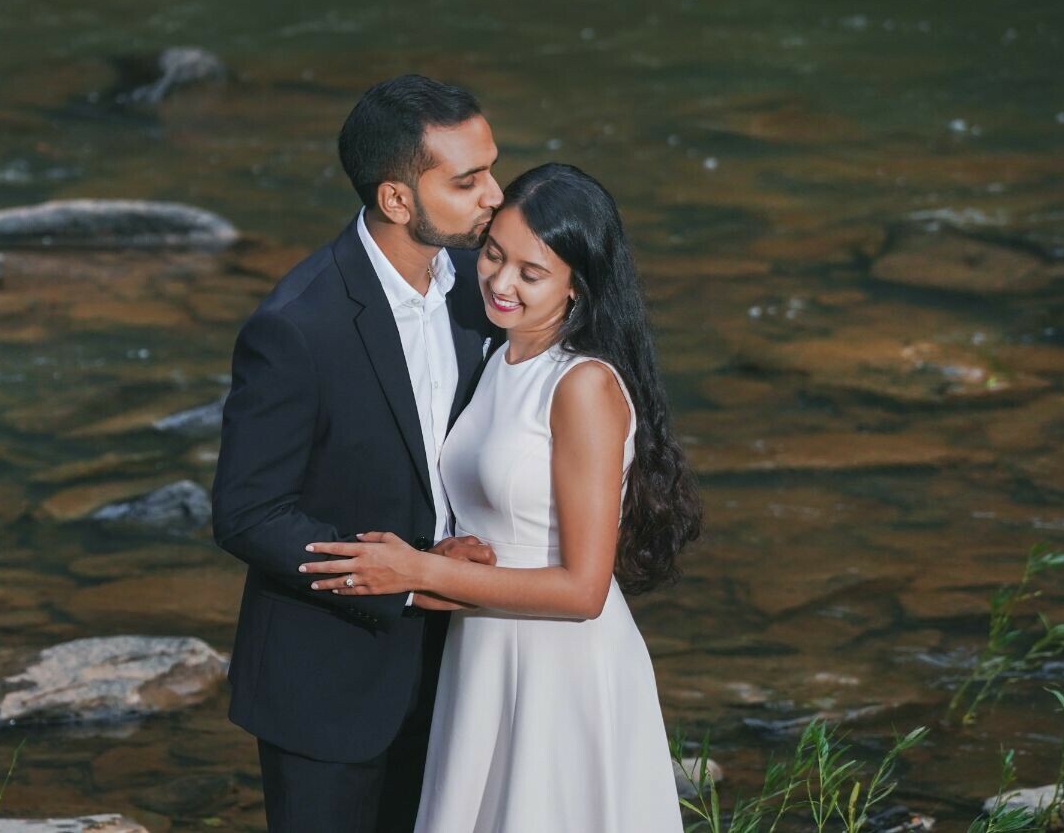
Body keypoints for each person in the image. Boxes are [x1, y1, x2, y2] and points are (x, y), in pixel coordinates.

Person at [300, 162, 703, 832]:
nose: (500, 282)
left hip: (560, 666)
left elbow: (584, 589)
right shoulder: (499, 356)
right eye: (493, 253)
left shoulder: (582, 386)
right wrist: (424, 571)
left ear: (579, 284)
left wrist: (418, 569)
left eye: (531, 272)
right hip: (484, 647)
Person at [211, 74, 506, 832]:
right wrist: (401, 580)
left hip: (466, 664)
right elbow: (247, 511)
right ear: (397, 198)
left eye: (492, 169)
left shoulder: (486, 291)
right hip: (327, 681)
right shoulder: (296, 326)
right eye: (468, 180)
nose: (496, 196)